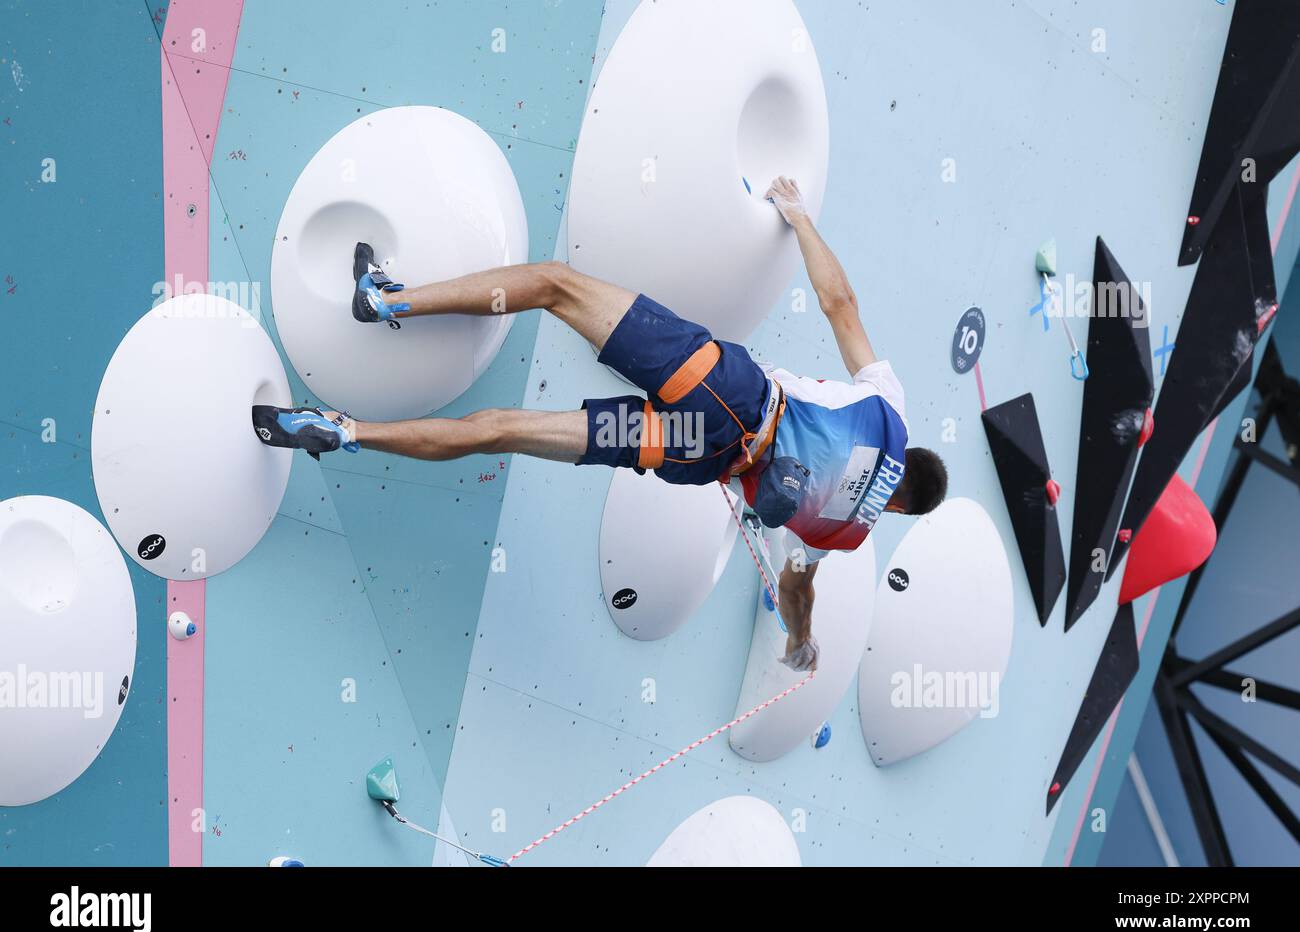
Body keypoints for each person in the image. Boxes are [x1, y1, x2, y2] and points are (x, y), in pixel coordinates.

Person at [254, 177, 948, 671]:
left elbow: (841, 305)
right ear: (897, 506)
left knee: (556, 286)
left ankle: (384, 300)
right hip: (691, 455)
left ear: (909, 455)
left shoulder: (888, 410)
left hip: (728, 392)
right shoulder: (849, 534)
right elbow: (797, 592)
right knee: (505, 429)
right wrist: (800, 644)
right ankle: (346, 431)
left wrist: (798, 216)